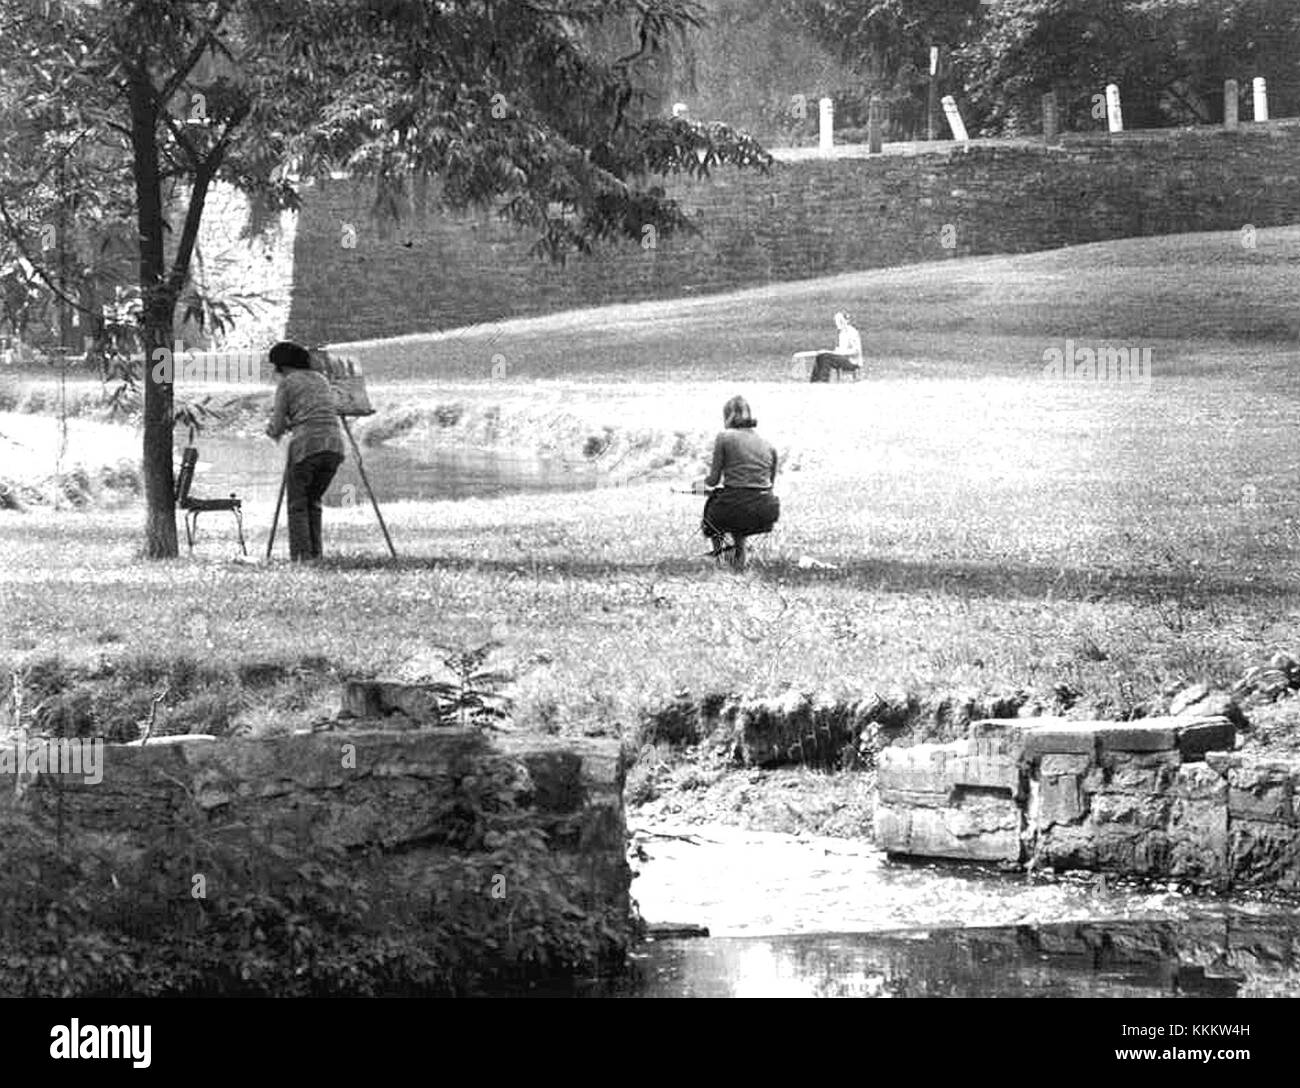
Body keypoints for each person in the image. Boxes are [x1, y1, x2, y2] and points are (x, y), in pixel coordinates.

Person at [265, 340, 345, 561]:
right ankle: (315, 554)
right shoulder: (321, 379)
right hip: (334, 446)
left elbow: (278, 425)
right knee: (314, 502)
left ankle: (301, 557)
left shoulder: (288, 383)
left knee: (298, 504)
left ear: (282, 365)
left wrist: (271, 430)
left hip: (306, 446)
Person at [694, 395, 780, 570]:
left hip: (735, 507)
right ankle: (740, 557)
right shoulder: (769, 445)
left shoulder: (724, 437)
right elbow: (768, 484)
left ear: (727, 417)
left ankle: (720, 559)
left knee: (716, 508)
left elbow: (713, 480)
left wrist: (697, 485)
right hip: (766, 511)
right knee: (738, 505)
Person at [809, 311, 862, 383]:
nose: (839, 323)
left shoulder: (852, 332)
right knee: (821, 356)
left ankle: (824, 380)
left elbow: (856, 351)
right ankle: (814, 381)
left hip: (852, 362)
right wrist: (836, 352)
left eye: (841, 321)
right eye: (837, 321)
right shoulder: (842, 333)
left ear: (847, 321)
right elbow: (842, 349)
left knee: (826, 357)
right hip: (843, 358)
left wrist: (841, 353)